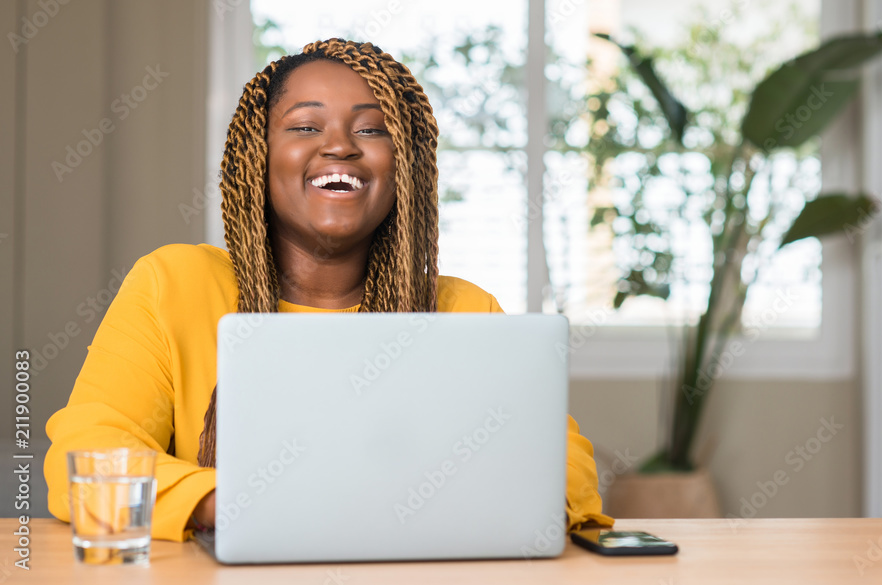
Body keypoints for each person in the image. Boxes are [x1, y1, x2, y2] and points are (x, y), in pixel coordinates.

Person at [44, 38, 613, 542]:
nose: (339, 146)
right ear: (257, 159)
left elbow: (565, 470)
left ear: (404, 167)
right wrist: (228, 505)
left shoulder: (463, 311)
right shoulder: (173, 285)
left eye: (370, 129)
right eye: (305, 126)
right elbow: (84, 454)